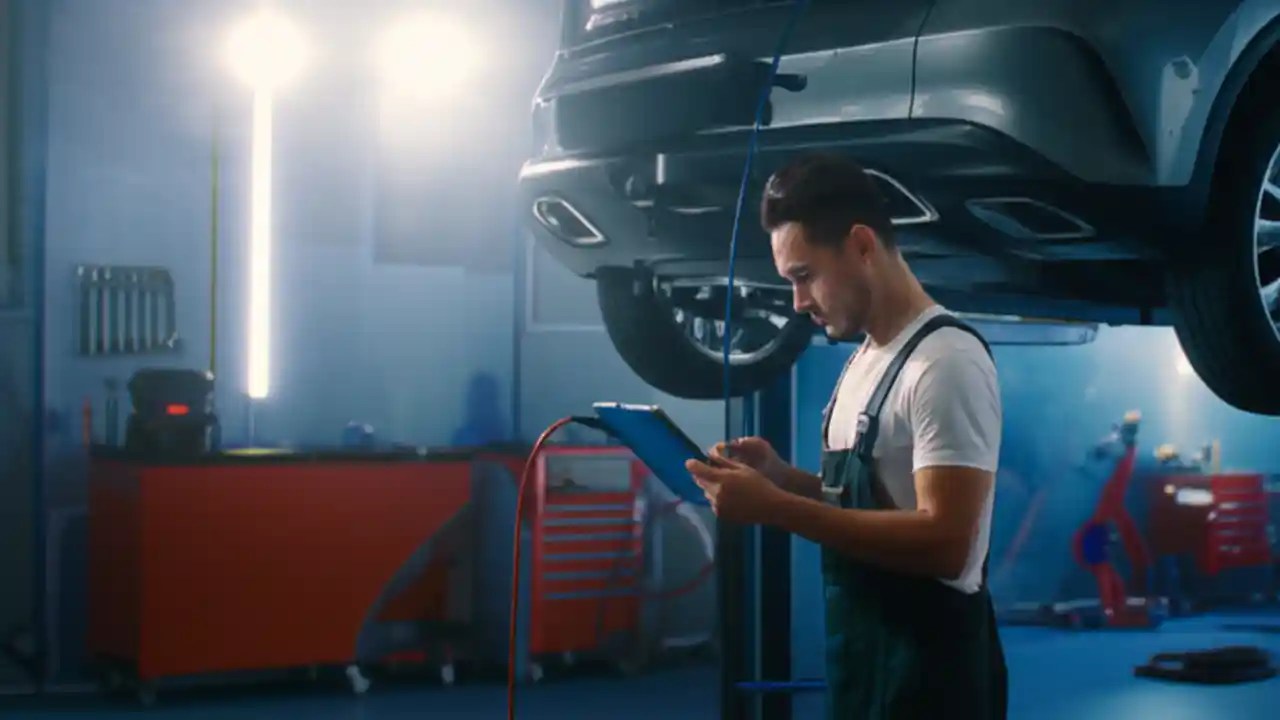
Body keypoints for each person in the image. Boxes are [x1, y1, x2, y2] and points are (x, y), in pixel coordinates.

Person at [686, 154, 1008, 719]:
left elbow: (946, 542)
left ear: (861, 245)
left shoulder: (945, 361)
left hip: (931, 685)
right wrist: (783, 479)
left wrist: (778, 508)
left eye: (803, 276)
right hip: (864, 675)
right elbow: (877, 502)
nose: (797, 302)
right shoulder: (864, 361)